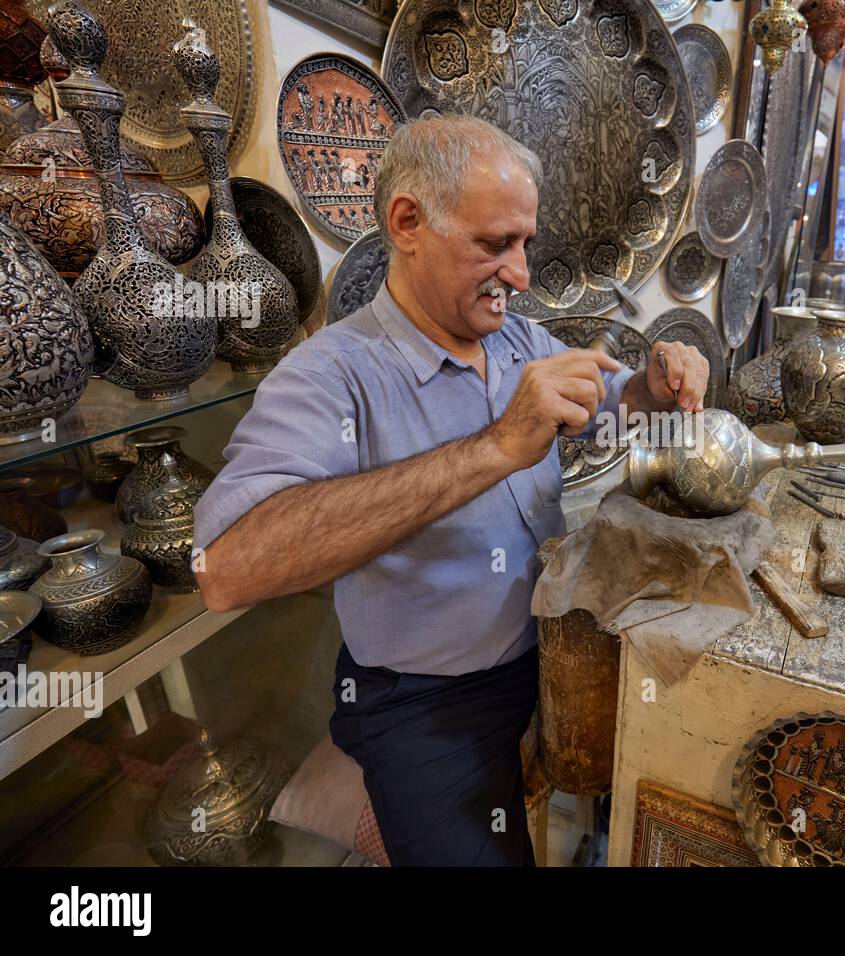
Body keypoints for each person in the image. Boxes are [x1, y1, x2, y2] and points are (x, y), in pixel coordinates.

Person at [191, 115, 710, 866]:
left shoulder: (516, 338)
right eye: (496, 245)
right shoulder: (330, 373)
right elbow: (226, 569)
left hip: (547, 644)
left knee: (677, 768)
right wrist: (495, 448)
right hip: (426, 702)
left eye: (524, 243)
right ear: (408, 222)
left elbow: (611, 401)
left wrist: (657, 387)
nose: (522, 275)